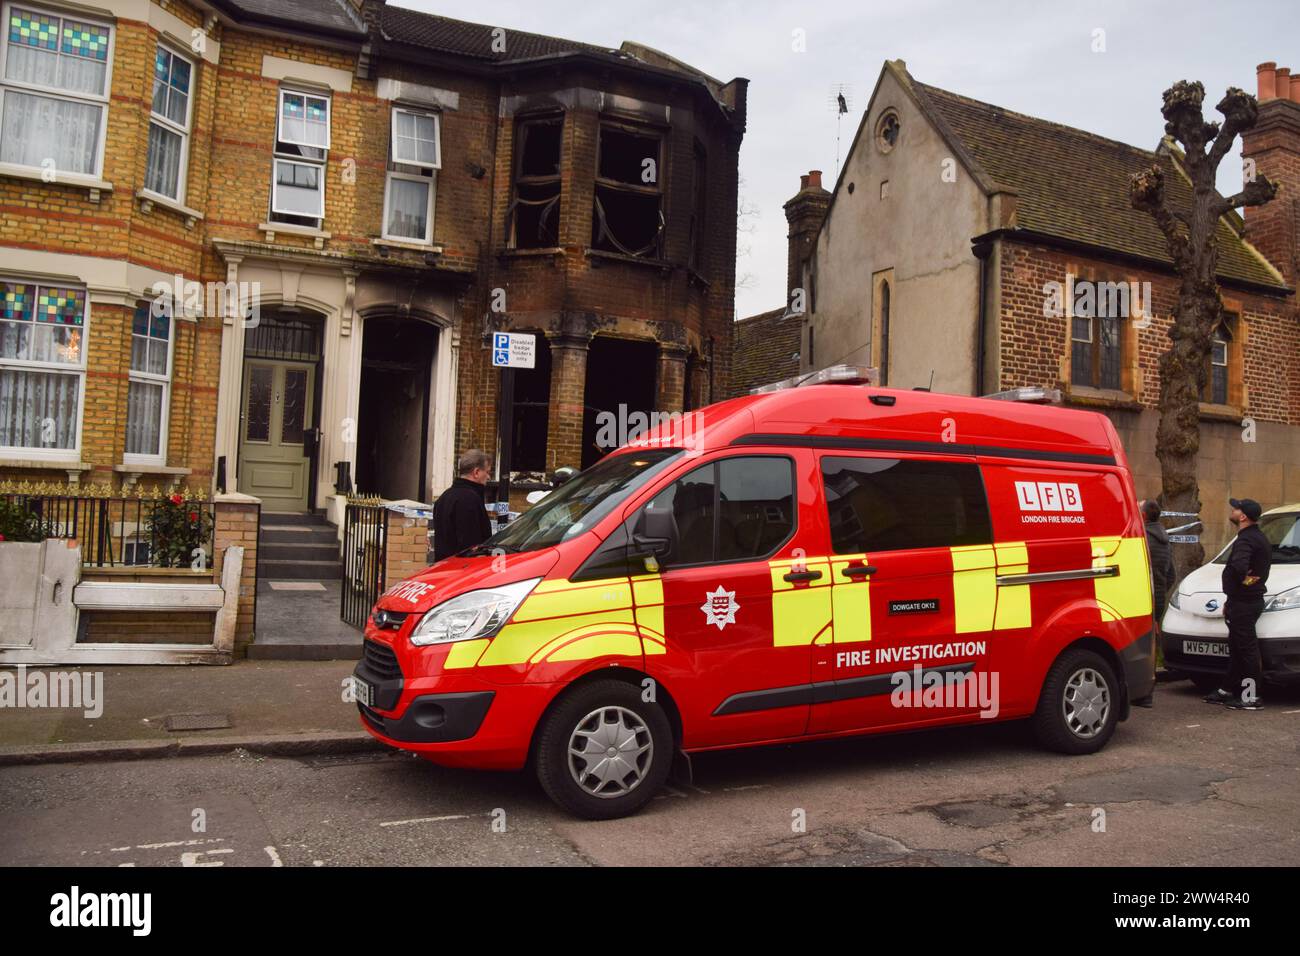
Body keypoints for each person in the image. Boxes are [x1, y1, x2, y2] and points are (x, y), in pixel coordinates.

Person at [1204, 498, 1271, 710]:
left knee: (1247, 650)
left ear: (1243, 517)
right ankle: (1226, 690)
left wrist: (1242, 582)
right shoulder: (1257, 537)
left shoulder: (1245, 540)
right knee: (1237, 648)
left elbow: (1239, 564)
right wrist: (1232, 598)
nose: (1232, 510)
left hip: (1244, 603)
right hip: (1243, 602)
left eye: (1236, 508)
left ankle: (1251, 697)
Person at [432, 449, 494, 561]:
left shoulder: (444, 497)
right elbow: (471, 546)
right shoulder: (470, 500)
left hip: (443, 568)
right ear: (476, 472)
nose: (489, 477)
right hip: (464, 570)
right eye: (487, 472)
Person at [1142, 499, 1175, 623]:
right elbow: (1172, 576)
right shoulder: (1165, 540)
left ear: (1143, 516)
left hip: (1142, 601)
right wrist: (1160, 590)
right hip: (1159, 601)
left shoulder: (1142, 538)